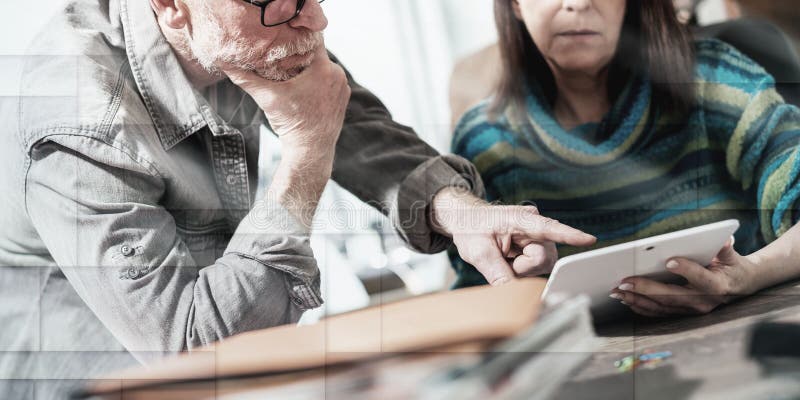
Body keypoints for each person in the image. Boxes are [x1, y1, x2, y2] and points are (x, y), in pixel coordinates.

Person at [0, 0, 597, 397]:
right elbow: (191, 350)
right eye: (276, 1)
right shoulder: (80, 123)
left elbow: (343, 112)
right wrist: (306, 151)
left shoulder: (253, 22)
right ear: (171, 6)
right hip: (80, 367)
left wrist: (455, 207)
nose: (313, 21)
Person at [451, 0, 800, 316]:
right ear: (514, 5)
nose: (577, 4)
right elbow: (477, 300)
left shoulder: (715, 79)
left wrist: (747, 275)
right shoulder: (484, 140)